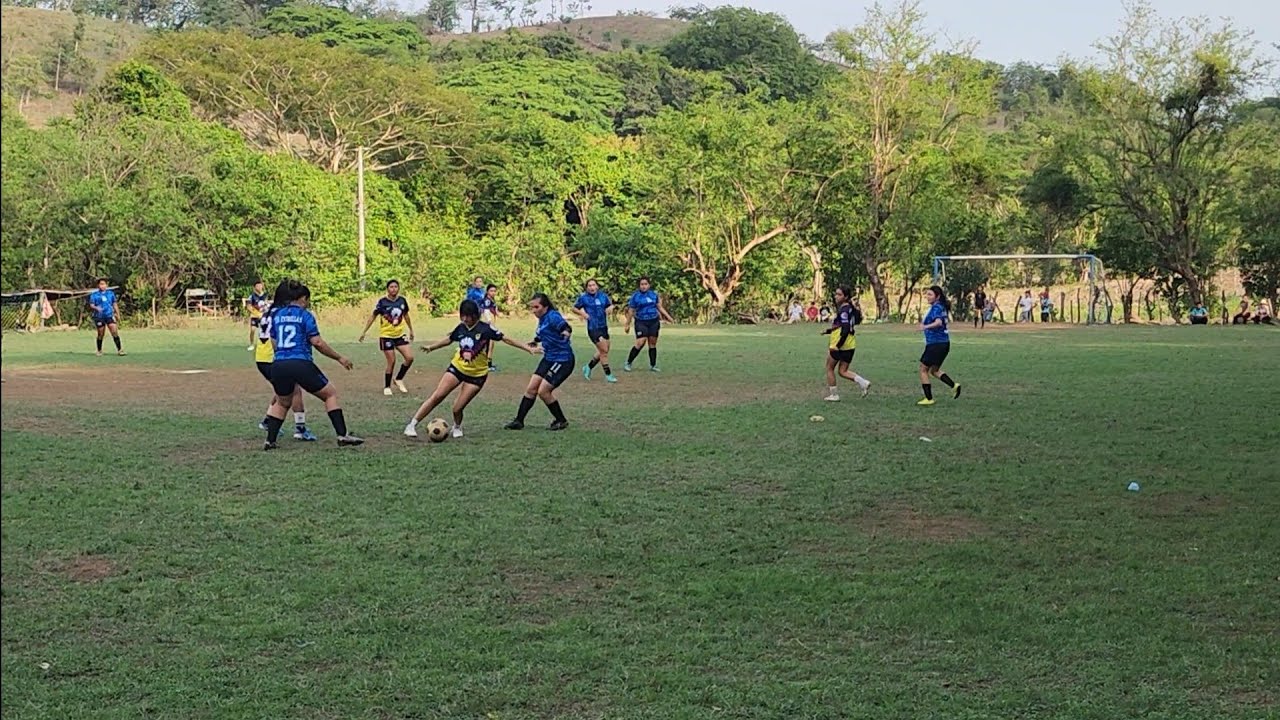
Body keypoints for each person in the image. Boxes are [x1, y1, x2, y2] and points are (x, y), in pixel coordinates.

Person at [404, 299, 539, 439]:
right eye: (463, 315)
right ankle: (412, 425)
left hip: (477, 375)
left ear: (476, 315)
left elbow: (506, 339)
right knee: (438, 396)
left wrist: (527, 348)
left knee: (457, 408)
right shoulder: (461, 327)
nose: (466, 319)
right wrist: (432, 347)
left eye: (469, 316)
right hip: (457, 368)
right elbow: (449, 339)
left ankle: (457, 426)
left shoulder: (486, 329)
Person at [262, 281, 362, 449]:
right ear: (302, 298)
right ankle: (342, 435)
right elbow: (317, 342)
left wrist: (283, 356)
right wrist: (339, 358)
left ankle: (270, 441)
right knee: (330, 394)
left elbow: (273, 341)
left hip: (279, 364)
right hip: (300, 361)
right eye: (307, 300)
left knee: (282, 402)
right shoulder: (305, 315)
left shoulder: (277, 315)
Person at [254, 282, 317, 442]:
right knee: (294, 390)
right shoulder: (283, 313)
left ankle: (268, 421)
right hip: (275, 356)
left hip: (261, 357)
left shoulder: (270, 311)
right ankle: (300, 428)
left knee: (283, 392)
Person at [505, 294, 575, 431]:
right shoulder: (542, 318)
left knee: (543, 391)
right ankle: (519, 421)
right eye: (532, 307)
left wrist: (566, 334)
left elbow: (566, 327)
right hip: (549, 358)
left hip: (563, 359)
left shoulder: (553, 316)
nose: (534, 310)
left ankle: (561, 420)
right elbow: (542, 333)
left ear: (545, 307)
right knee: (531, 388)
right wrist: (535, 341)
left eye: (536, 307)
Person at [358, 279, 415, 396]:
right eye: (391, 287)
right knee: (392, 361)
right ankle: (387, 386)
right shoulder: (382, 302)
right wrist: (364, 331)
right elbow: (373, 316)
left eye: (396, 287)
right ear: (387, 289)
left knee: (409, 358)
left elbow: (406, 315)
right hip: (386, 336)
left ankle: (398, 379)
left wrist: (411, 330)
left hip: (399, 334)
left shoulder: (402, 301)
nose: (394, 289)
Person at [822, 286, 871, 402]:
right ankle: (863, 382)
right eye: (836, 294)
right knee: (842, 371)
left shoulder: (844, 310)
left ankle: (834, 395)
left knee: (829, 368)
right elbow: (846, 325)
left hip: (840, 344)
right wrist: (829, 331)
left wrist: (838, 346)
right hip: (850, 344)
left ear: (846, 297)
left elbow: (845, 328)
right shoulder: (850, 309)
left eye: (839, 294)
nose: (836, 296)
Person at [917, 285, 962, 406]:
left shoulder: (936, 308)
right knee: (934, 370)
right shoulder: (940, 307)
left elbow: (938, 322)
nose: (927, 296)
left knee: (923, 369)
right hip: (943, 343)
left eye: (930, 294)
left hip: (935, 344)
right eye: (927, 294)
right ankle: (954, 385)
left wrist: (924, 327)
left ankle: (929, 398)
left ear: (937, 296)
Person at [623, 277, 675, 372]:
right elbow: (631, 310)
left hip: (653, 321)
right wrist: (627, 324)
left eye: (645, 284)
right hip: (641, 321)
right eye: (642, 284)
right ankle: (628, 362)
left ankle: (653, 365)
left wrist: (668, 317)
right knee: (640, 342)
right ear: (639, 286)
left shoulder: (653, 295)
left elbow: (659, 307)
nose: (644, 286)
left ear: (649, 285)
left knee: (652, 343)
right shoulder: (635, 296)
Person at [574, 278, 617, 383]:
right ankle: (608, 375)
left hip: (603, 327)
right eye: (589, 286)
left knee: (603, 350)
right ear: (587, 288)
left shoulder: (603, 296)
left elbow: (610, 305)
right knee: (604, 351)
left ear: (597, 286)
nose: (592, 287)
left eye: (593, 285)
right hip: (593, 328)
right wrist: (583, 314)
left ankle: (588, 367)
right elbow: (574, 308)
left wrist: (610, 308)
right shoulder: (583, 298)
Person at [87, 278, 125, 356]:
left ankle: (120, 350)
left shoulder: (110, 294)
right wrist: (96, 308)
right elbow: (91, 305)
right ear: (98, 285)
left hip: (109, 315)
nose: (103, 286)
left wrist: (117, 314)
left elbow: (114, 304)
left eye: (104, 284)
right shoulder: (94, 295)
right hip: (99, 316)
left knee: (114, 332)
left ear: (106, 285)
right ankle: (99, 350)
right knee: (101, 334)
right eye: (101, 284)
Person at [480, 284, 501, 372]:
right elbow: (486, 311)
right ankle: (486, 365)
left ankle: (488, 363)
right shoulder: (487, 301)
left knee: (490, 344)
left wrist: (498, 313)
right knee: (488, 344)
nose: (493, 292)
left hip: (492, 323)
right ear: (487, 291)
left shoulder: (492, 300)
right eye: (491, 291)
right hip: (489, 324)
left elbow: (494, 310)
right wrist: (489, 322)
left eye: (494, 291)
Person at [247, 280, 270, 351]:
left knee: (265, 330)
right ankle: (251, 344)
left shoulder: (265, 295)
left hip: (264, 315)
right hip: (255, 316)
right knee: (253, 330)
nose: (259, 287)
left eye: (260, 285)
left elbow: (267, 304)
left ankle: (265, 344)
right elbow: (249, 307)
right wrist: (256, 313)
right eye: (257, 286)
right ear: (254, 287)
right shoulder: (252, 296)